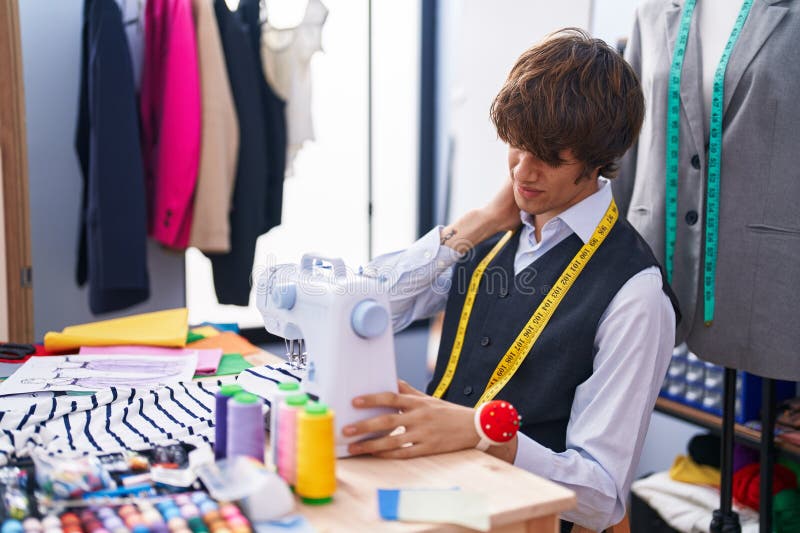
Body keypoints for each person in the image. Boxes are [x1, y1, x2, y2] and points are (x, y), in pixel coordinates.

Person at [342, 28, 680, 531]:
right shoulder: (492, 234)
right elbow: (364, 311)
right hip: (429, 492)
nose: (523, 170)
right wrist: (476, 223)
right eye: (515, 146)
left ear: (597, 160)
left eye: (548, 156)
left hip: (520, 520)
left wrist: (484, 434)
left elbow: (602, 495)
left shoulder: (635, 292)